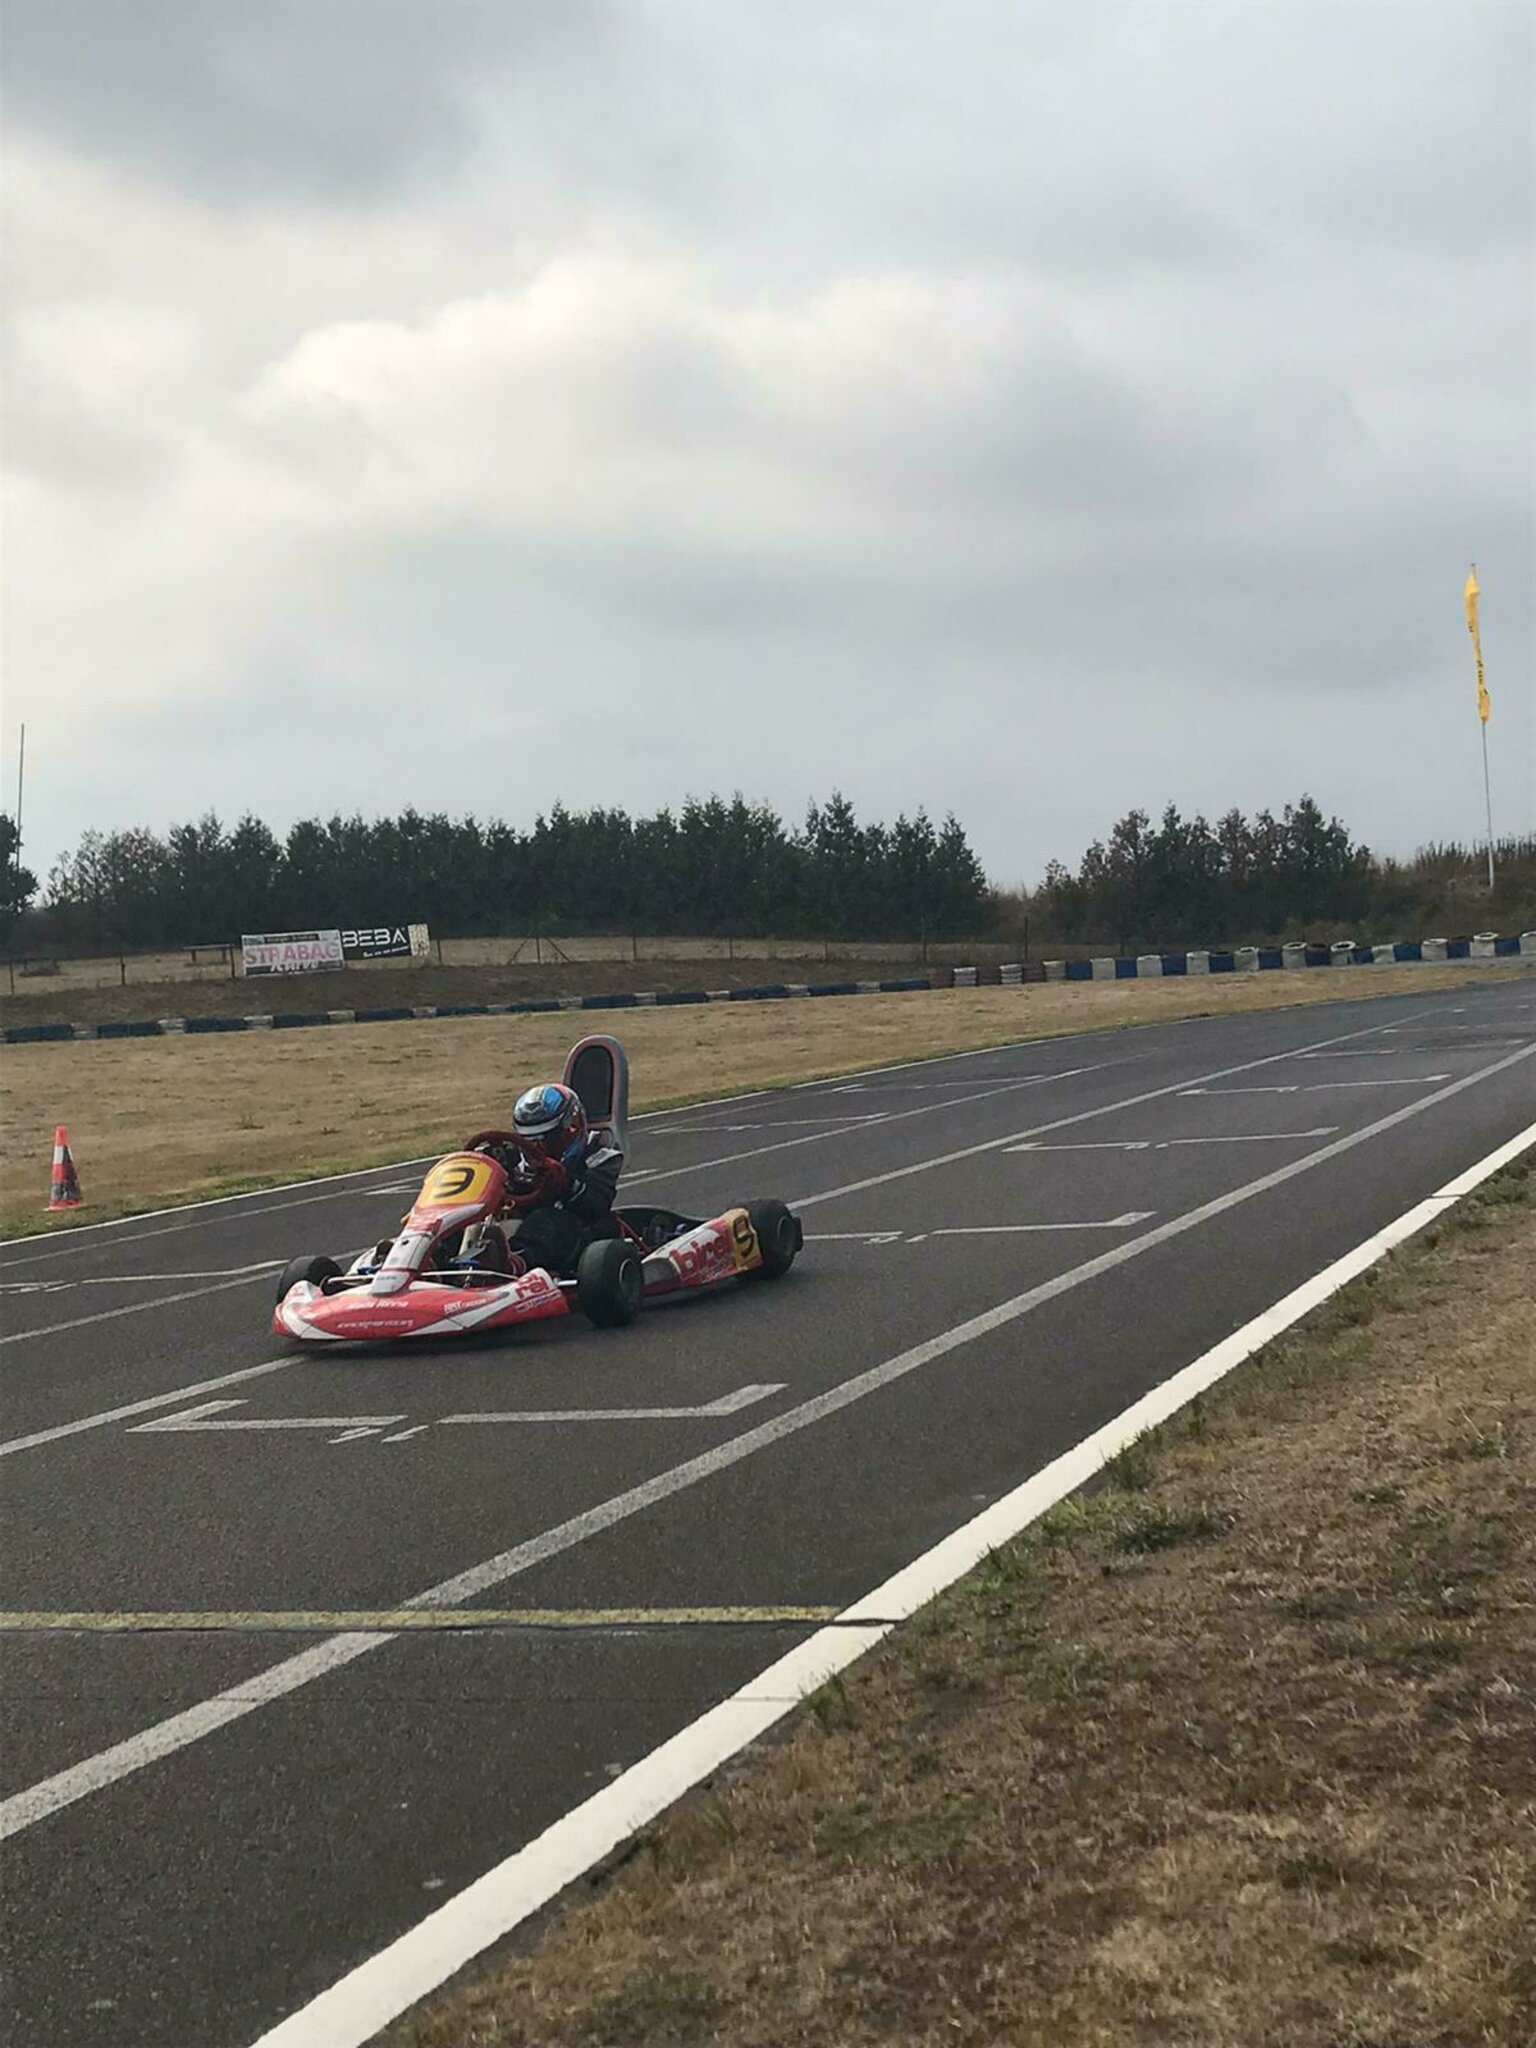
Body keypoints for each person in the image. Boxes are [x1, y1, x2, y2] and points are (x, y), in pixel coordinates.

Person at [456, 1081, 625, 1277]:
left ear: (572, 1127)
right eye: (529, 1140)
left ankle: (514, 1266)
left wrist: (564, 1182)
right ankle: (434, 1263)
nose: (537, 1147)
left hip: (577, 1236)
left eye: (547, 1139)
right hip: (516, 1229)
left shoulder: (601, 1156)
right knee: (468, 1221)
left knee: (546, 1219)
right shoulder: (511, 1156)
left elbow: (596, 1202)